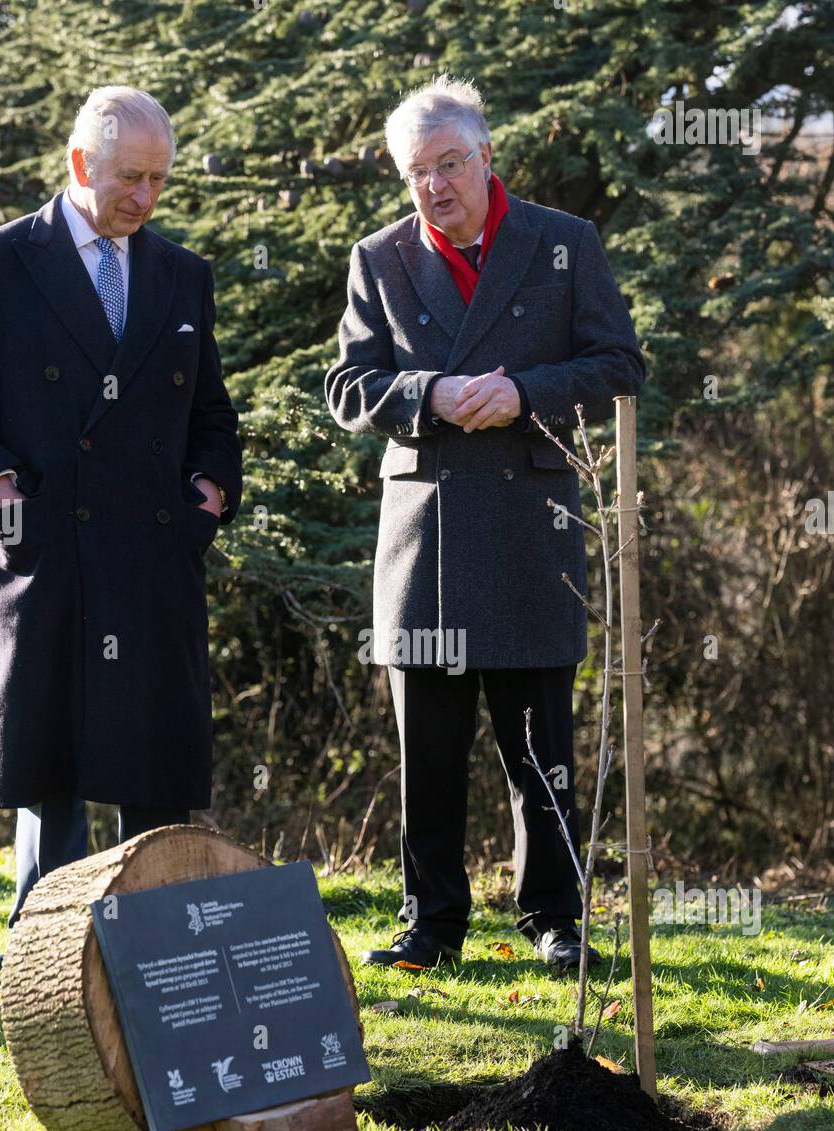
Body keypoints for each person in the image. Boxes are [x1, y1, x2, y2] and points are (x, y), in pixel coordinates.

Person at [325, 75, 645, 975]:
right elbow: (349, 389)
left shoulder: (562, 243)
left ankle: (554, 918)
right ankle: (431, 924)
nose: (434, 185)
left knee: (541, 756)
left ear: (486, 156)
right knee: (425, 756)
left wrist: (522, 395)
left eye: (449, 163)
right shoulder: (378, 258)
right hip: (424, 539)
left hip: (529, 530)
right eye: (416, 171)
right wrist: (427, 394)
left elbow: (619, 362)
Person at [0, 86, 241, 967]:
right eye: (129, 177)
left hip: (152, 554)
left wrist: (207, 494)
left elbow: (212, 412)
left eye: (159, 180)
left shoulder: (183, 275)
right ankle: (45, 958)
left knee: (155, 767)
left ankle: (163, 949)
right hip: (46, 553)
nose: (144, 197)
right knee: (48, 767)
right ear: (77, 165)